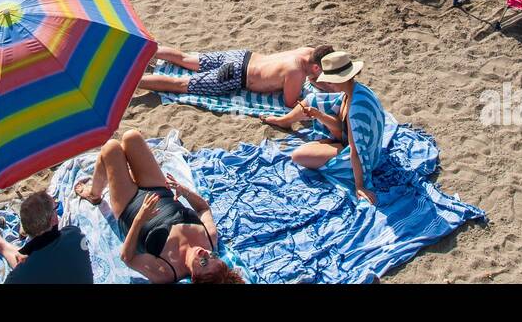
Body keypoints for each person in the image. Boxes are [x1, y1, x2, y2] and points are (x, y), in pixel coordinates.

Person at [74, 130, 241, 283]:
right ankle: (133, 177)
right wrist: (185, 192)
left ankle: (94, 194)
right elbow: (203, 209)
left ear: (195, 277)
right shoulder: (209, 239)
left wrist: (140, 218)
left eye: (204, 262)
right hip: (159, 190)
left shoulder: (167, 271)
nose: (206, 253)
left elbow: (127, 258)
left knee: (111, 149)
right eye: (213, 256)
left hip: (130, 208)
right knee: (131, 137)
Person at [260, 50, 381, 205]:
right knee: (313, 100)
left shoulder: (355, 108)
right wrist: (318, 114)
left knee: (298, 155)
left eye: (329, 80)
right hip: (353, 142)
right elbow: (342, 125)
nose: (326, 84)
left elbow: (356, 151)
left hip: (366, 157)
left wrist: (359, 186)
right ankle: (285, 121)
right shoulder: (354, 90)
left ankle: (331, 147)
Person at [138, 43, 332, 107]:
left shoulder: (308, 51)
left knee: (185, 58)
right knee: (180, 84)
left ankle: (141, 49)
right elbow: (290, 102)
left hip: (242, 55)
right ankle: (132, 81)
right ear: (316, 68)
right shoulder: (296, 71)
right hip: (234, 73)